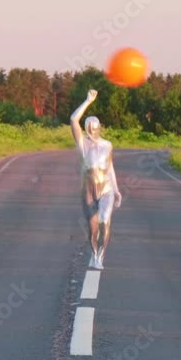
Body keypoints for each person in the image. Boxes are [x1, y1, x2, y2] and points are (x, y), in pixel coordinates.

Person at [70, 89, 122, 270]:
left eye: (94, 128)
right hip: (88, 191)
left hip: (106, 189)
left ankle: (100, 257)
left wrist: (116, 190)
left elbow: (110, 167)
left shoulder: (107, 145)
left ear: (99, 128)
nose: (92, 131)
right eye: (89, 128)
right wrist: (88, 101)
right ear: (86, 129)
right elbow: (73, 119)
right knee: (93, 228)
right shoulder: (82, 144)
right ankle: (93, 254)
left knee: (104, 221)